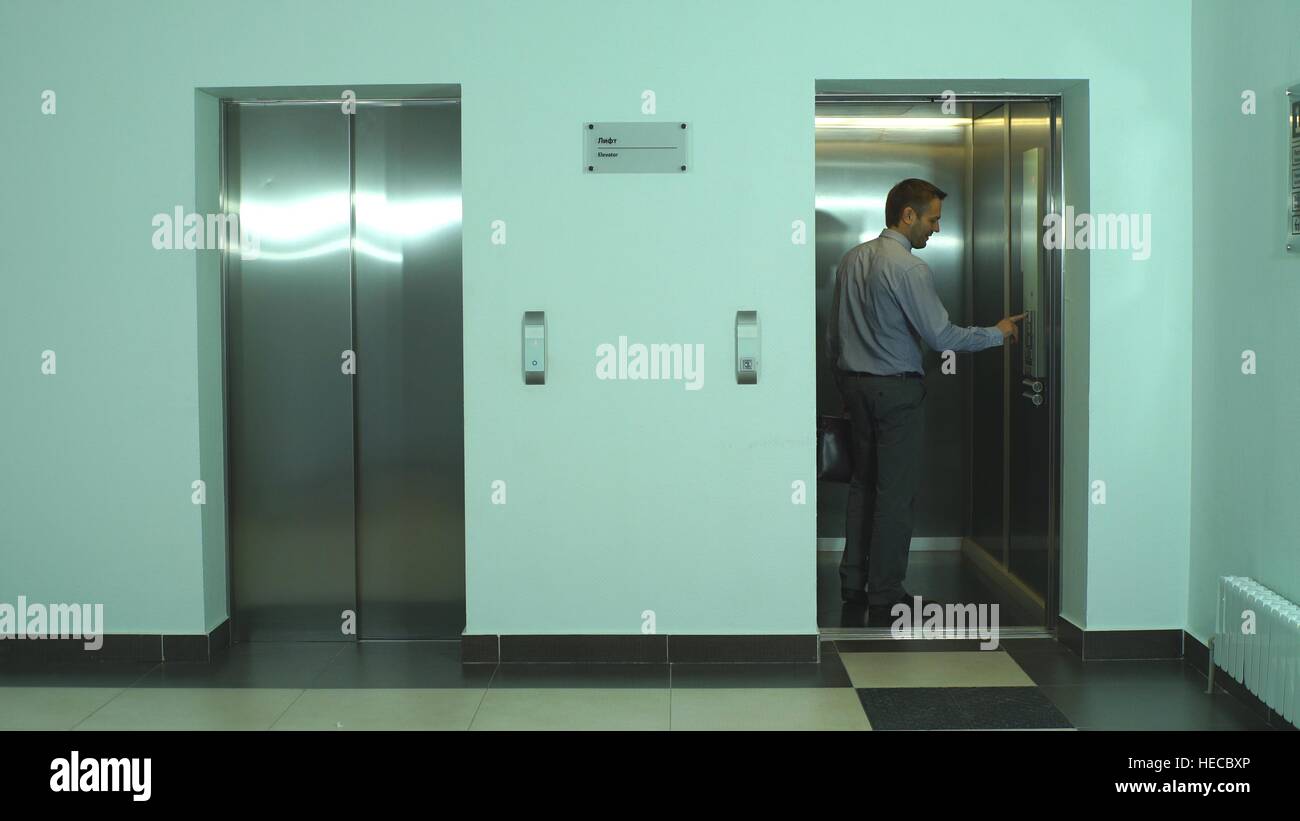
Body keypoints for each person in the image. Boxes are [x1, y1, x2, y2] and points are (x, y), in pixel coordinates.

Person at [826, 178, 1025, 618]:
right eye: (932, 218)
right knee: (895, 493)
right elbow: (940, 335)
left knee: (863, 488)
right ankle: (886, 593)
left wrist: (846, 385)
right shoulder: (910, 268)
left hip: (855, 387)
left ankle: (854, 584)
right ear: (908, 215)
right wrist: (997, 334)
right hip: (895, 390)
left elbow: (833, 337)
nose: (935, 228)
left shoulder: (851, 259)